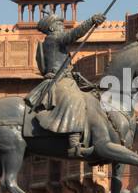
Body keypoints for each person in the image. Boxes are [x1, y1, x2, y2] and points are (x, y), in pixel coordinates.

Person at [26, 10, 106, 158]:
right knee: (74, 99)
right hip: (59, 80)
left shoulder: (53, 40)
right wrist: (91, 20)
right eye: (59, 24)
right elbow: (73, 35)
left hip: (66, 78)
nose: (63, 26)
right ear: (51, 28)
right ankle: (74, 143)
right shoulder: (54, 38)